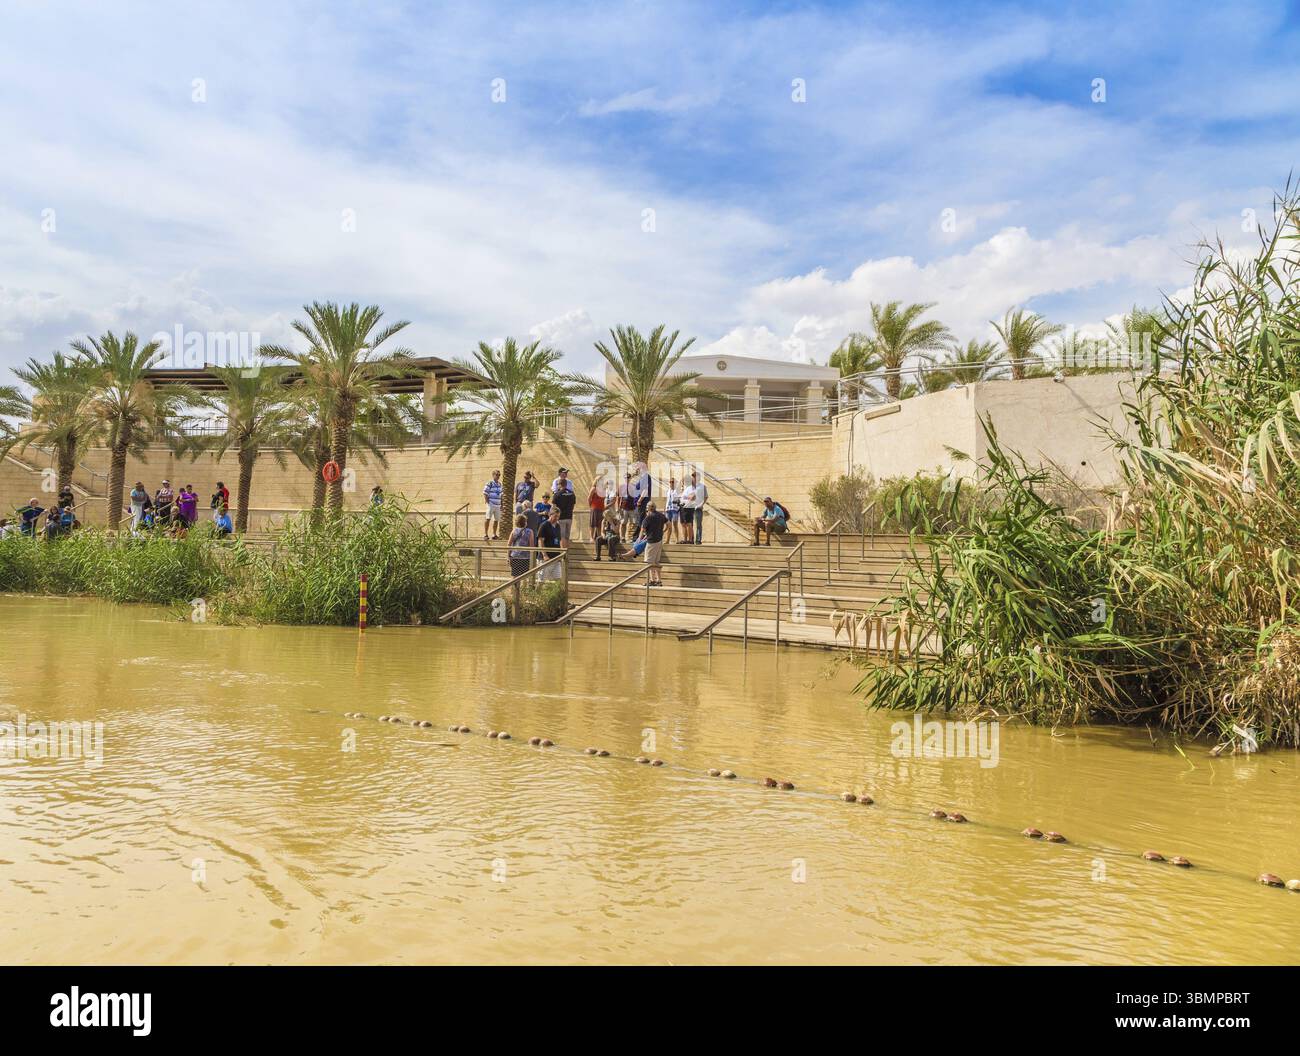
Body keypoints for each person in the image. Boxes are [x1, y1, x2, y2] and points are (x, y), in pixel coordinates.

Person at [639, 501, 668, 585]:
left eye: (647, 507)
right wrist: (663, 531)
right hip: (659, 540)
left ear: (648, 508)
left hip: (651, 541)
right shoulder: (661, 515)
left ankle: (652, 580)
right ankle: (658, 580)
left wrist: (639, 540)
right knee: (656, 562)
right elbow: (669, 525)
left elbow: (642, 529)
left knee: (649, 562)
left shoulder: (648, 517)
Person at [550, 468, 576, 549]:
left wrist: (553, 515)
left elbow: (554, 505)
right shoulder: (572, 494)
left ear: (559, 484)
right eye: (564, 473)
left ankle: (564, 552)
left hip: (561, 517)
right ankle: (566, 551)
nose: (566, 474)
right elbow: (573, 504)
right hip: (569, 516)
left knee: (562, 536)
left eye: (566, 473)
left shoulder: (557, 494)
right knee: (567, 536)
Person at [537, 508, 564, 581]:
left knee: (558, 579)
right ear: (550, 515)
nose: (557, 518)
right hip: (546, 558)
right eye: (555, 516)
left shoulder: (558, 526)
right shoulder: (544, 525)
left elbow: (560, 540)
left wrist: (561, 554)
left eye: (558, 516)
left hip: (556, 557)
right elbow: (540, 541)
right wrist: (544, 555)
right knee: (542, 580)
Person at [507, 513, 535, 578]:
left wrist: (508, 556)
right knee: (525, 576)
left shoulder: (514, 531)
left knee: (515, 576)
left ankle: (515, 585)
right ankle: (523, 585)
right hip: (525, 557)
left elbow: (509, 544)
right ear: (525, 522)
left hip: (515, 556)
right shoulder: (530, 531)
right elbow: (532, 545)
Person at [483, 470, 503, 539]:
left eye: (499, 475)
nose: (498, 476)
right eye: (497, 475)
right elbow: (485, 492)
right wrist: (487, 501)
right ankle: (485, 534)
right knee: (488, 518)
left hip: (498, 505)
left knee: (496, 520)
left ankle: (494, 534)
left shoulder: (500, 484)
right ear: (493, 475)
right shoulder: (490, 483)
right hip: (491, 504)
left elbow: (501, 495)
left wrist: (501, 504)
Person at [690, 471, 708, 544]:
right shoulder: (690, 487)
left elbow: (706, 497)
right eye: (693, 477)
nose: (693, 478)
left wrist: (701, 505)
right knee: (690, 524)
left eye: (695, 476)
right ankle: (691, 539)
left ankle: (698, 540)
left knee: (698, 525)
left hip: (698, 508)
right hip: (690, 508)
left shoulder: (702, 486)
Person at [618, 473, 637, 541]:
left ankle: (632, 537)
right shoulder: (621, 486)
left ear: (630, 478)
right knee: (623, 523)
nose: (627, 479)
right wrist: (618, 508)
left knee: (633, 523)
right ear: (624, 478)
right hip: (624, 508)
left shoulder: (634, 486)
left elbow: (636, 496)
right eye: (626, 478)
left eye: (628, 478)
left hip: (632, 507)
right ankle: (622, 537)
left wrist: (636, 507)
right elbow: (618, 498)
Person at [586, 479, 606, 544]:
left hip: (601, 508)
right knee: (593, 524)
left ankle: (599, 537)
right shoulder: (594, 489)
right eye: (599, 481)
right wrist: (591, 506)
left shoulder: (603, 489)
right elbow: (589, 498)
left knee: (599, 524)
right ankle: (591, 538)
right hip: (594, 508)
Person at [679, 476, 696, 544]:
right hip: (682, 507)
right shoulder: (685, 488)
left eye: (683, 481)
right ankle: (685, 539)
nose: (683, 482)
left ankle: (690, 540)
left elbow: (693, 497)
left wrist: (685, 497)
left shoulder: (691, 488)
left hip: (688, 507)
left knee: (688, 523)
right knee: (683, 523)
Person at [664, 476, 682, 542]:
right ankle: (667, 540)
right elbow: (667, 500)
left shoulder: (677, 490)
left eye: (672, 482)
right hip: (668, 509)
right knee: (668, 525)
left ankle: (677, 539)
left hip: (674, 509)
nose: (671, 483)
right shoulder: (668, 490)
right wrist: (665, 508)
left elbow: (680, 499)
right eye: (670, 482)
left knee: (675, 524)